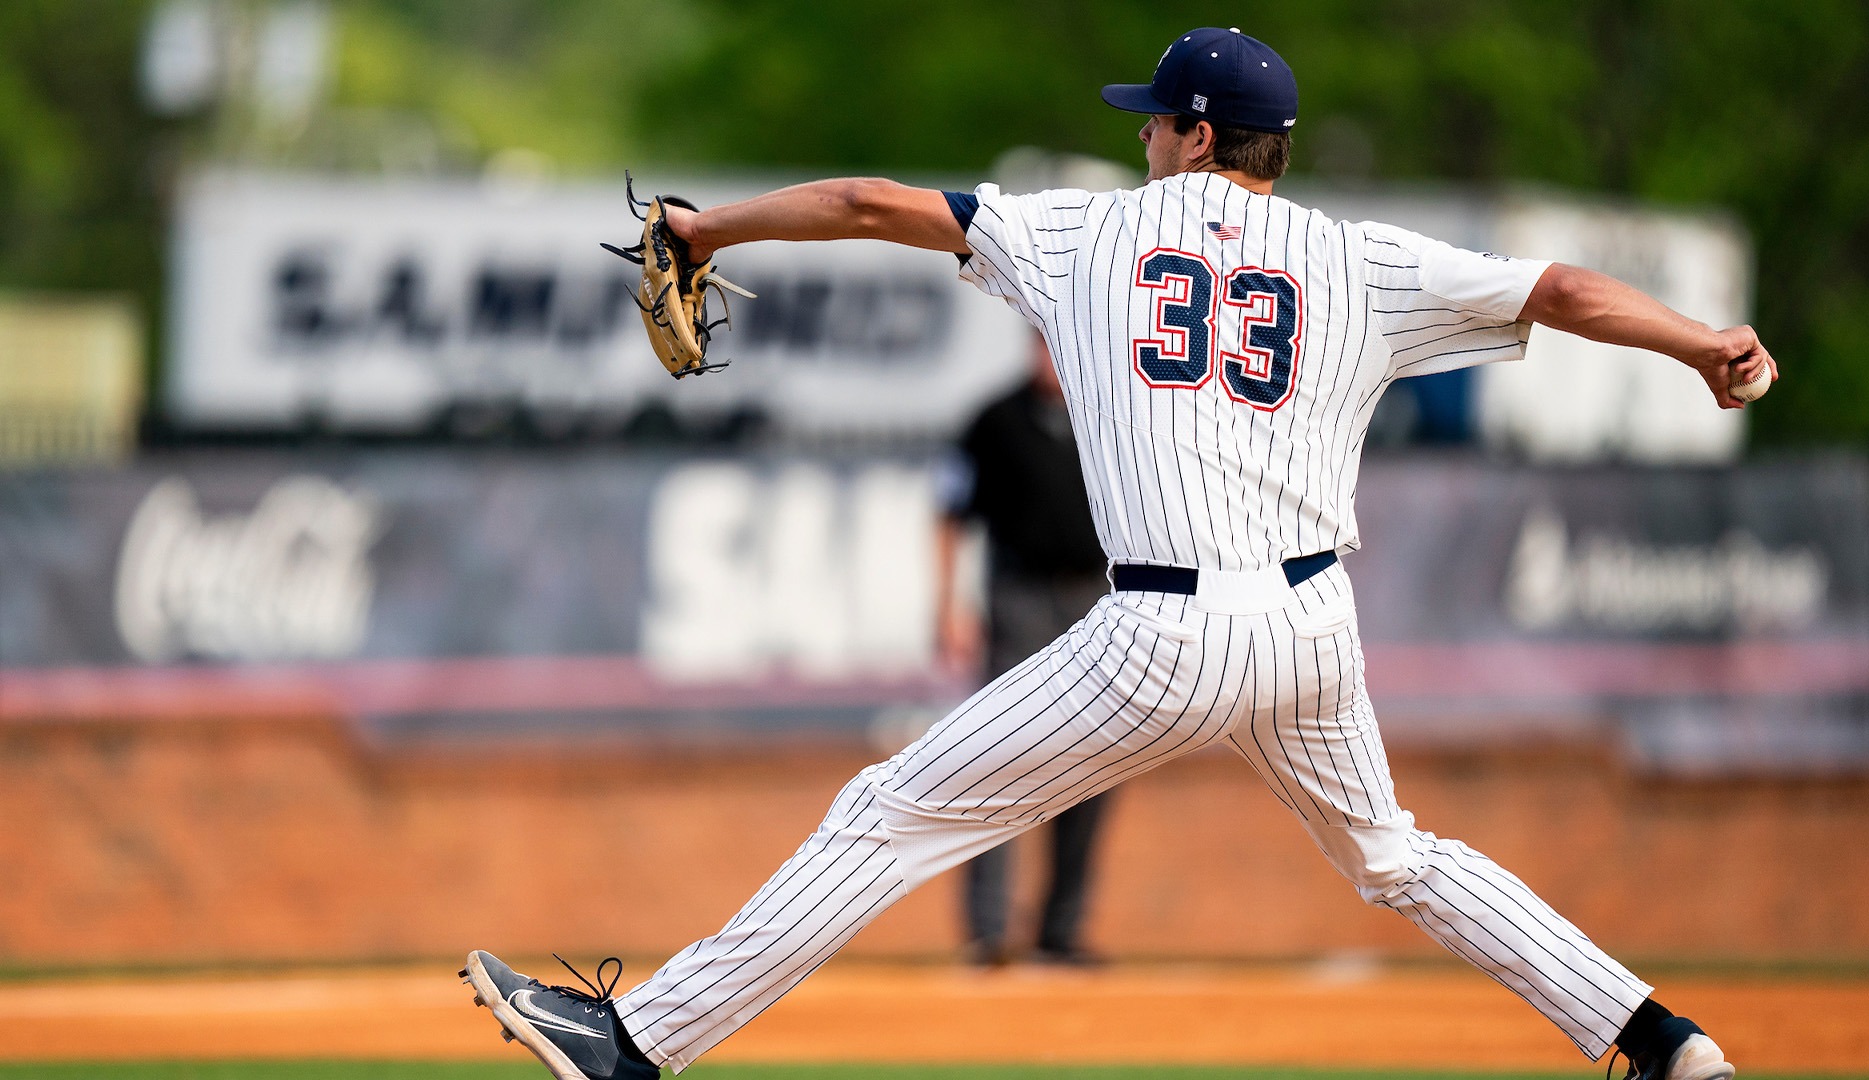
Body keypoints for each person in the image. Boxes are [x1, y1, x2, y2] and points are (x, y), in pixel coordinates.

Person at [463, 26, 1775, 1080]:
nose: (1141, 134)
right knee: (1398, 861)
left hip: (1167, 633)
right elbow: (1552, 290)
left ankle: (638, 1043)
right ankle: (1661, 1039)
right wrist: (1704, 342)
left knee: (890, 809)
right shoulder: (1358, 257)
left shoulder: (1082, 232)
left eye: (1153, 117)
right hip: (1315, 631)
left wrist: (705, 231)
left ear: (1197, 135)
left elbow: (870, 203)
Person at [935, 328, 1113, 968]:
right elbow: (949, 512)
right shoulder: (994, 420)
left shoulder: (1113, 415)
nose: (1053, 362)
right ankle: (987, 933)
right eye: (1044, 347)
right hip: (1018, 599)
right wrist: (948, 603)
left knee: (1096, 762)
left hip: (1101, 598)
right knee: (996, 755)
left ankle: (1060, 930)